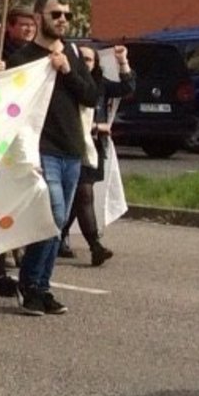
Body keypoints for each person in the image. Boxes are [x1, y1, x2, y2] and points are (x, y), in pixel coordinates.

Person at [4, 0, 99, 315]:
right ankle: (28, 283)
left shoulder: (70, 52)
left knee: (58, 225)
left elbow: (91, 96)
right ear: (38, 16)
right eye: (55, 13)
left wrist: (68, 70)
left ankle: (42, 287)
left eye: (67, 16)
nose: (62, 20)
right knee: (53, 216)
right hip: (41, 149)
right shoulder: (24, 59)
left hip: (71, 147)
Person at [65, 42, 131, 267]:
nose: (85, 64)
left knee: (77, 199)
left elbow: (127, 88)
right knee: (83, 195)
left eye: (89, 60)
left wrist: (122, 61)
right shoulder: (65, 83)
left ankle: (58, 240)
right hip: (71, 146)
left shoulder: (99, 85)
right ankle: (95, 246)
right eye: (81, 59)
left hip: (94, 148)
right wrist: (95, 126)